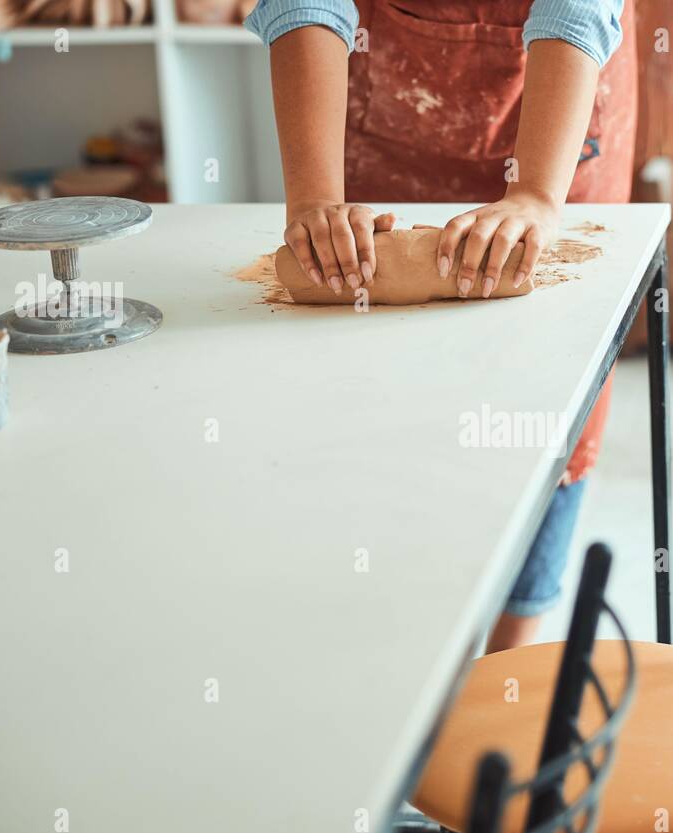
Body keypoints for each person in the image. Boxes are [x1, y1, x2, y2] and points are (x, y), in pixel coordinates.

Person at [247, 0, 635, 652]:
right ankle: (398, 636)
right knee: (382, 399)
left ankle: (504, 670)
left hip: (555, 127)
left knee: (547, 404)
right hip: (393, 127)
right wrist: (315, 199)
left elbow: (575, 7)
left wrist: (537, 195)